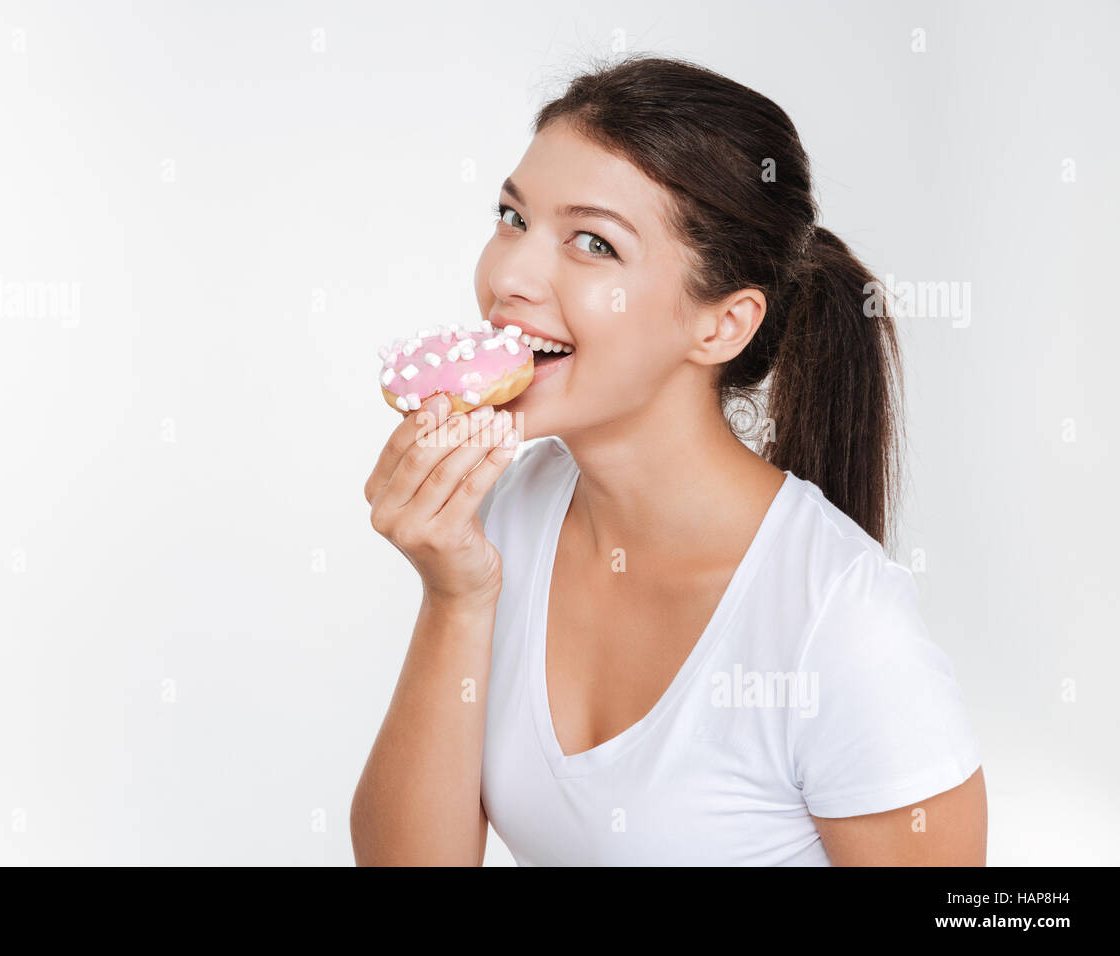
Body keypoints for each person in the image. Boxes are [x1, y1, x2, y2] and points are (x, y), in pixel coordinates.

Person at [351, 54, 986, 866]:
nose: (508, 275)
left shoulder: (843, 622)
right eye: (512, 218)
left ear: (721, 326)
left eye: (592, 243)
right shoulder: (509, 514)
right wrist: (455, 597)